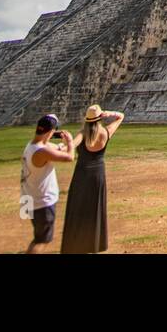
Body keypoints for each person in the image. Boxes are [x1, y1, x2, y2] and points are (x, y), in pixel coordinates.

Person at [61, 104, 123, 254]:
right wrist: (109, 114)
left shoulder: (83, 134)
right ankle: (95, 243)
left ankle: (75, 242)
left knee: (78, 208)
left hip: (82, 174)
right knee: (95, 208)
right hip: (98, 174)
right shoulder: (106, 132)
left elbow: (69, 147)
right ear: (99, 118)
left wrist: (62, 143)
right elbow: (121, 116)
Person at [21, 113, 75, 254]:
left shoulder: (32, 145)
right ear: (51, 131)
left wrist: (64, 144)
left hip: (28, 199)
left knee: (38, 235)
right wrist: (69, 142)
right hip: (42, 202)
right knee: (42, 240)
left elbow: (55, 149)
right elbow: (69, 157)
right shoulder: (42, 151)